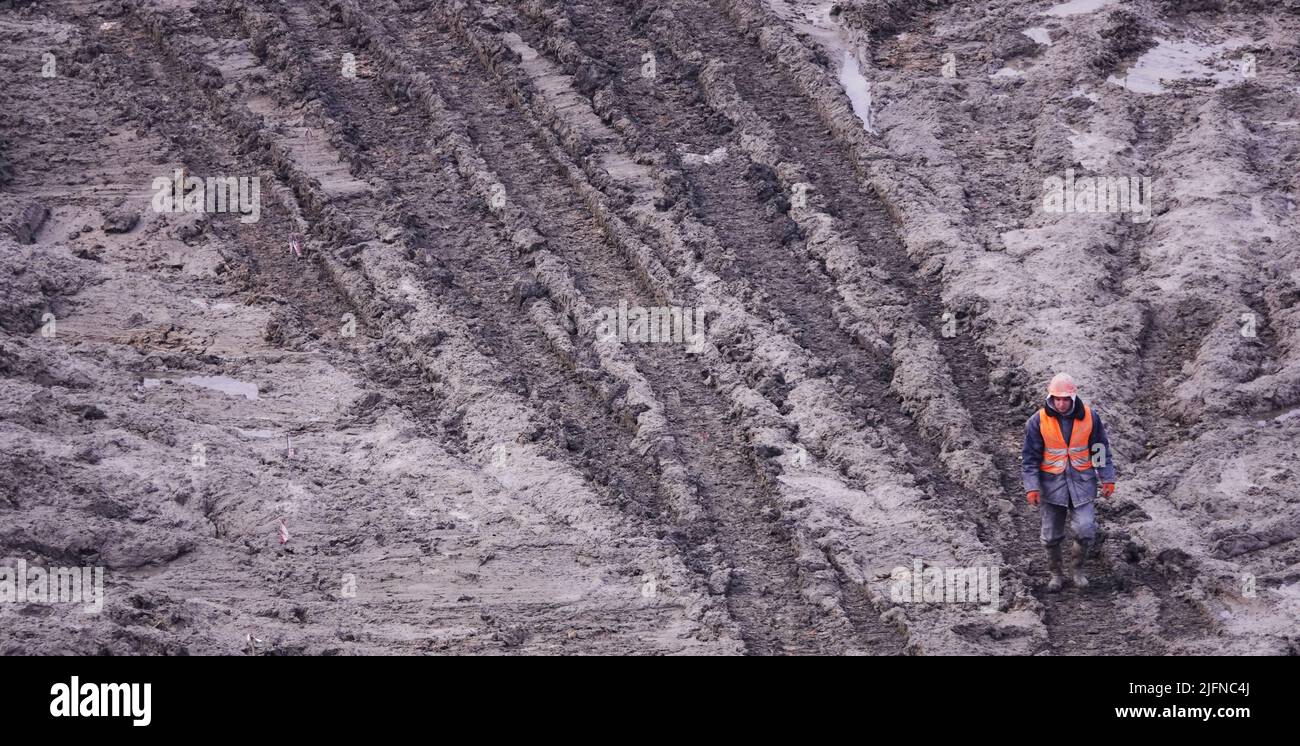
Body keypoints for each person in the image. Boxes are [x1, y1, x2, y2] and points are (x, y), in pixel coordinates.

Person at [1021, 373, 1116, 591]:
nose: (1061, 403)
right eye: (1057, 399)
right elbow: (1030, 458)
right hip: (1051, 487)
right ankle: (1056, 573)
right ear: (1050, 397)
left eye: (1065, 399)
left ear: (1073, 397)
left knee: (1085, 530)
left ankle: (1077, 569)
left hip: (1082, 485)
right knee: (1051, 536)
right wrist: (1032, 487)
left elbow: (1099, 449)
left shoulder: (1090, 418)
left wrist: (1107, 478)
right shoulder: (1038, 421)